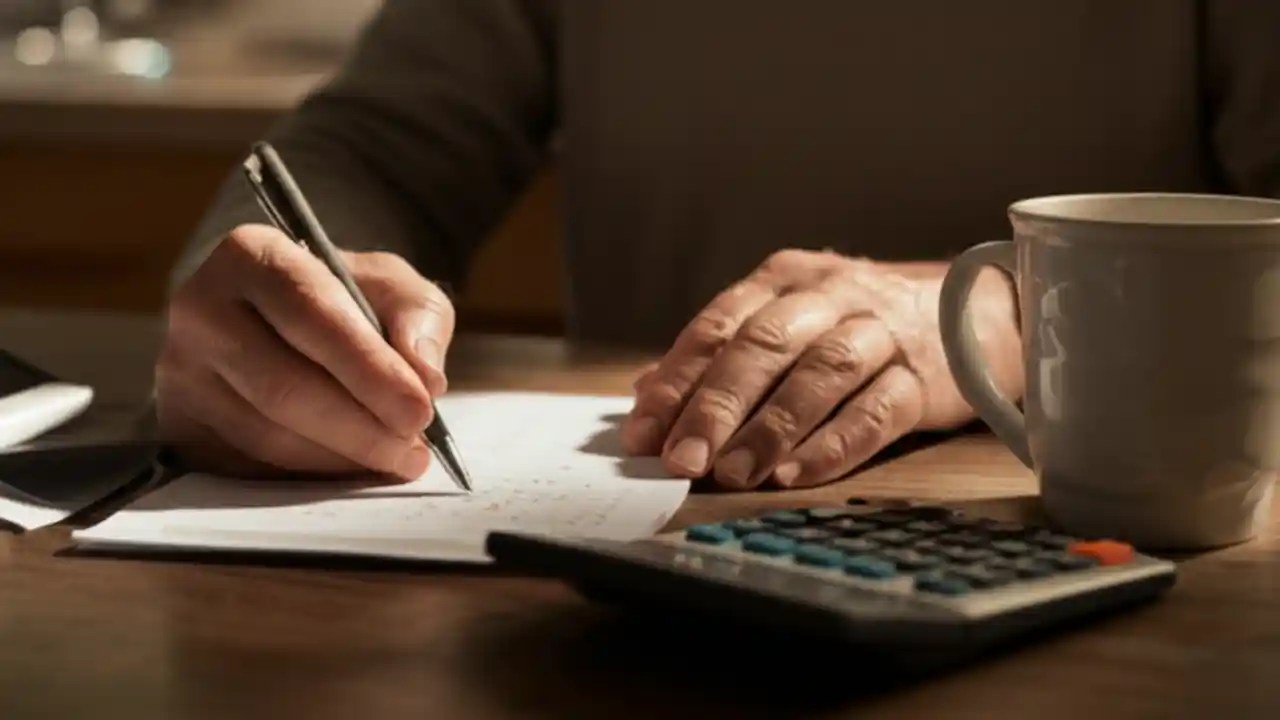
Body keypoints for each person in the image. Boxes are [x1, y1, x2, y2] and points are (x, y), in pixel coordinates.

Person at [156, 1, 1280, 489]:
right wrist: (280, 308)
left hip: (1085, 557)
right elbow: (373, 147)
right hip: (618, 564)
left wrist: (1006, 311)